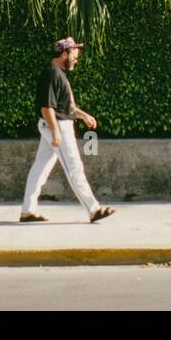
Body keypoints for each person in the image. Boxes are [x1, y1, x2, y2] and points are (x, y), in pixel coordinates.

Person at [19, 36, 115, 223]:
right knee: (74, 167)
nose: (77, 58)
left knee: (40, 169)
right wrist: (55, 131)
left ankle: (27, 211)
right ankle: (93, 209)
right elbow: (46, 107)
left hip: (56, 124)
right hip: (57, 126)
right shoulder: (52, 74)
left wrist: (83, 115)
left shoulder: (58, 74)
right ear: (64, 54)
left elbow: (67, 107)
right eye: (74, 54)